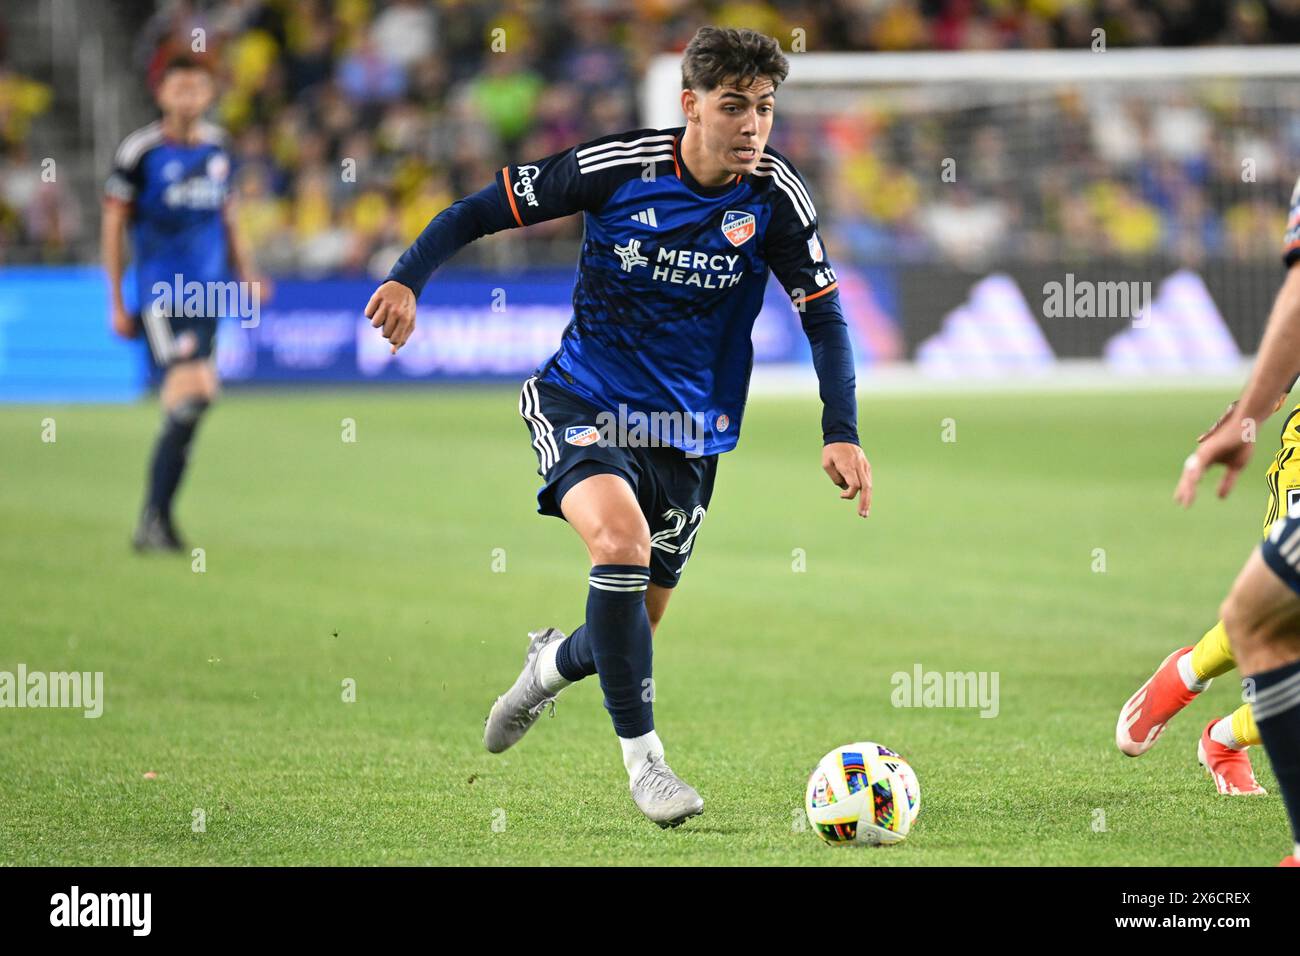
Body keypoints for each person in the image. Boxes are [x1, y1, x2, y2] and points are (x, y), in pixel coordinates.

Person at [363, 27, 870, 827]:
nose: (752, 126)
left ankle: (546, 669)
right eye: (734, 106)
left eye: (765, 109)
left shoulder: (774, 197)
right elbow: (479, 210)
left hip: (689, 435)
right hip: (584, 400)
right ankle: (649, 768)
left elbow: (826, 317)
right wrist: (407, 278)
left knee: (629, 624)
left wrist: (839, 429)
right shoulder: (616, 166)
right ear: (690, 106)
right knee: (620, 547)